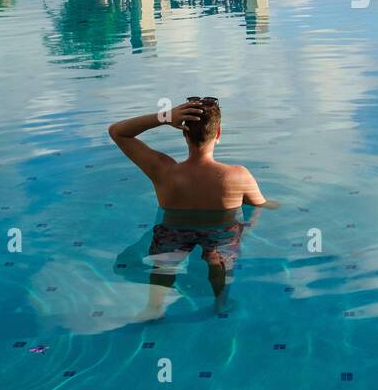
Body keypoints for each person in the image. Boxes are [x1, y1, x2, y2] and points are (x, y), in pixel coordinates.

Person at [107, 97, 276, 313]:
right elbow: (260, 205)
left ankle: (154, 308)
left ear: (184, 133)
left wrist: (165, 116)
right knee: (219, 257)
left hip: (174, 230)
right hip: (220, 231)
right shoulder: (238, 176)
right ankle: (221, 303)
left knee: (165, 262)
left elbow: (117, 132)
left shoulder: (164, 171)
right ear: (218, 134)